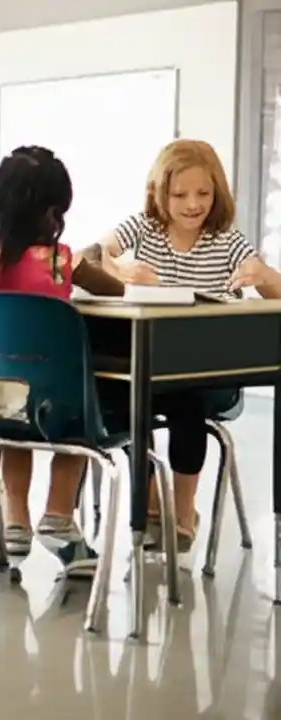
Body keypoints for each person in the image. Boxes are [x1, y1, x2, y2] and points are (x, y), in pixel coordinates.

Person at [94, 139, 281, 551]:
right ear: (160, 193)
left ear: (217, 194)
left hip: (206, 375)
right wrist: (118, 266)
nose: (193, 204)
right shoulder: (143, 227)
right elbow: (90, 255)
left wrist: (264, 275)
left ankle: (184, 510)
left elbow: (276, 291)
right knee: (123, 399)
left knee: (187, 401)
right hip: (152, 368)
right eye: (180, 195)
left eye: (203, 193)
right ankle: (151, 498)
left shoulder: (226, 241)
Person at [0, 146, 125, 560]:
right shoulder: (63, 260)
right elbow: (116, 290)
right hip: (60, 397)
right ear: (53, 211)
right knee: (81, 420)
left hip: (1, 394)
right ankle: (58, 512)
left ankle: (16, 520)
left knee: (13, 424)